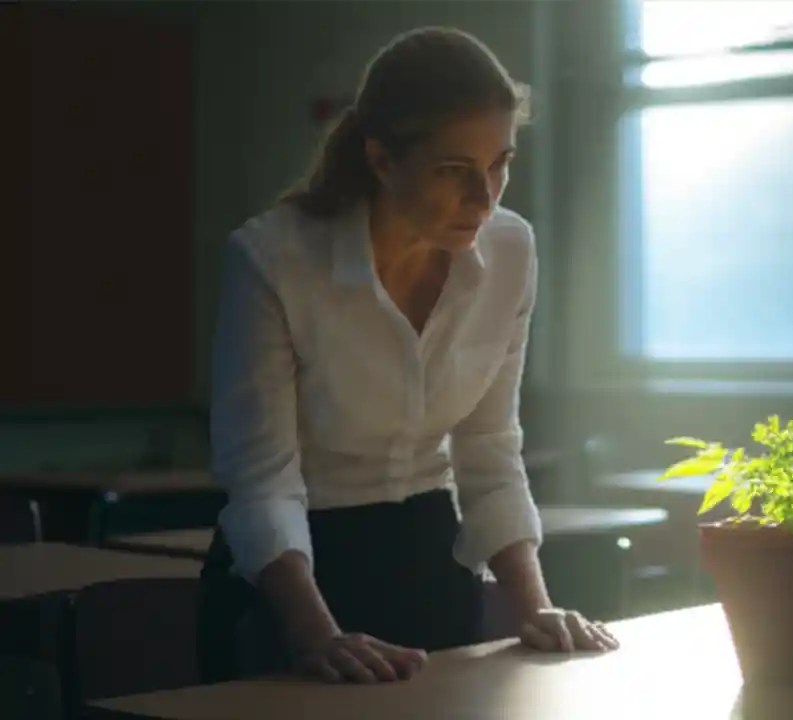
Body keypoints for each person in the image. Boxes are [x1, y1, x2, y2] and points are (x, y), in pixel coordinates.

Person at [198, 27, 619, 685]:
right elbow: (263, 482)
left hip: (428, 555)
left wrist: (536, 608)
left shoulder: (510, 251)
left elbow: (489, 447)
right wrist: (318, 635)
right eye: (455, 171)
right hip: (289, 580)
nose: (485, 198)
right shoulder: (273, 260)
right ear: (383, 160)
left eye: (500, 164)